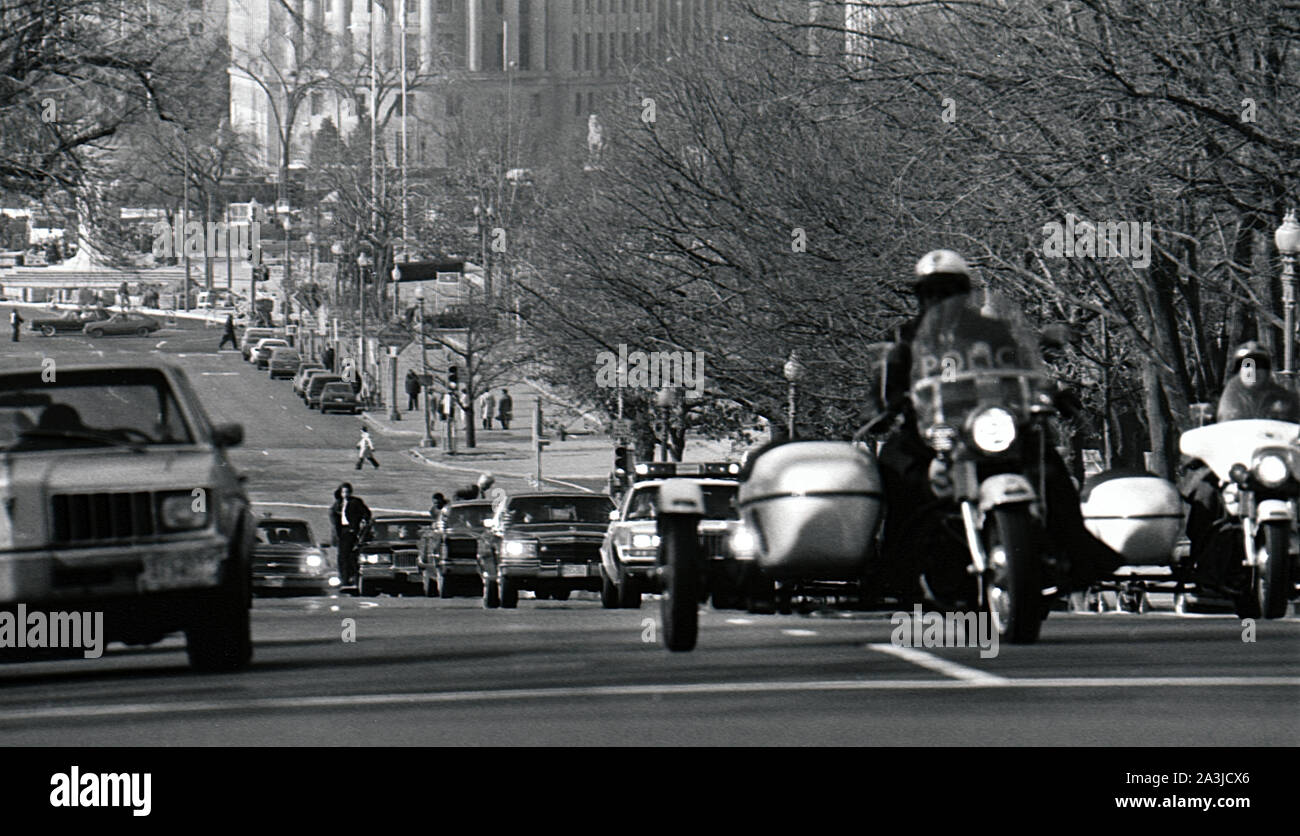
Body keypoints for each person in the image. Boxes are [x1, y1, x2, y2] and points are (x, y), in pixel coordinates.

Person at [870, 249, 1120, 603]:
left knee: (1048, 466)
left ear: (965, 291)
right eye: (932, 291)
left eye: (950, 289)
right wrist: (884, 405)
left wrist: (1051, 392)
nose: (941, 298)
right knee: (899, 473)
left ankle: (1075, 558)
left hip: (991, 425)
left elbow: (1022, 371)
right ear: (921, 295)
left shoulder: (993, 330)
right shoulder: (902, 338)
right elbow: (885, 389)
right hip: (931, 432)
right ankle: (897, 575)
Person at [1181, 342, 1300, 597]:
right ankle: (1202, 563)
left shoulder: (1283, 400)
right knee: (1204, 490)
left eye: (1259, 364)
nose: (1252, 369)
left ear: (1268, 369)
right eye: (1246, 364)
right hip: (1233, 465)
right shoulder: (1221, 400)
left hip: (1273, 466)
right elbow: (1208, 431)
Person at [330, 482, 372, 588]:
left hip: (351, 530)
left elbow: (366, 513)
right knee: (342, 556)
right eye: (343, 492)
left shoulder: (355, 502)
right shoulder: (338, 503)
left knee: (348, 555)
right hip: (341, 531)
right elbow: (334, 517)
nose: (346, 494)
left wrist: (362, 522)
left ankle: (349, 578)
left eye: (347, 492)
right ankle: (344, 578)